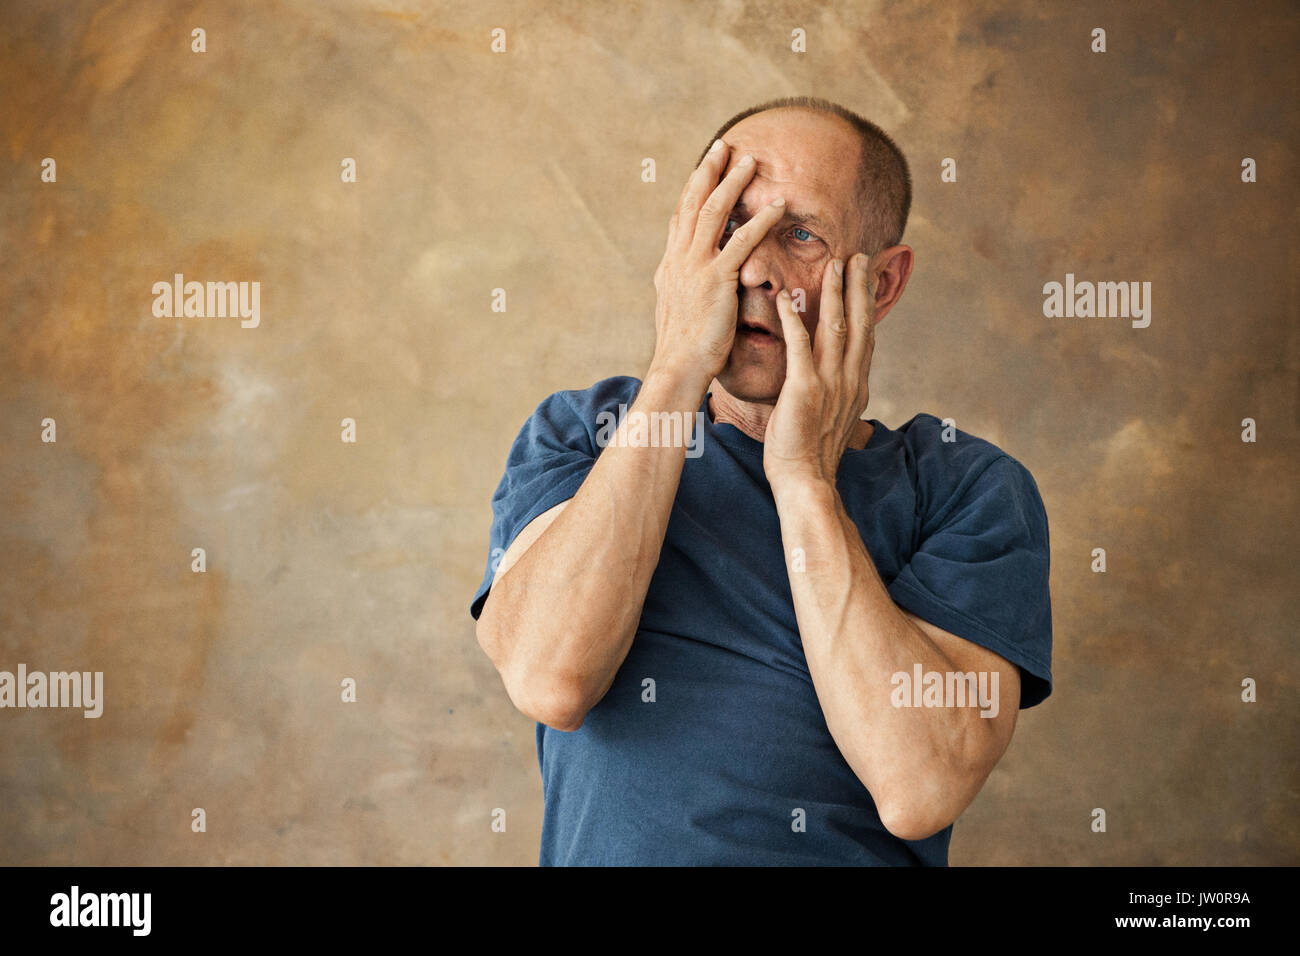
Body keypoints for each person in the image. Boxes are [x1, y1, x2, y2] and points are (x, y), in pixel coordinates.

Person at [470, 96, 1052, 865]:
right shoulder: (582, 434)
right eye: (727, 225)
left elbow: (921, 786)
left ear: (880, 285)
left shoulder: (965, 487)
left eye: (801, 234)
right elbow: (552, 680)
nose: (750, 268)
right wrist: (677, 367)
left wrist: (804, 478)